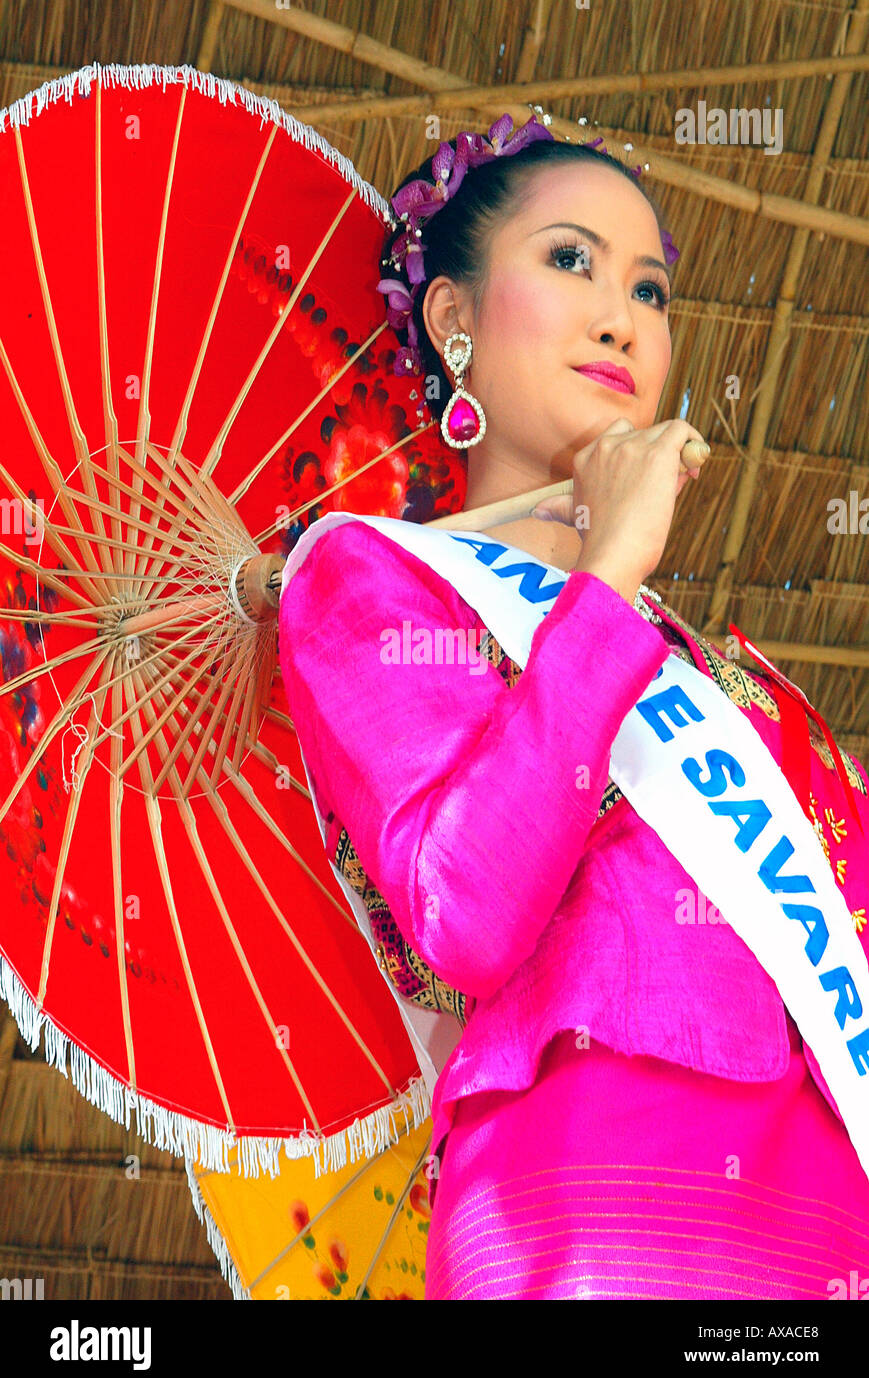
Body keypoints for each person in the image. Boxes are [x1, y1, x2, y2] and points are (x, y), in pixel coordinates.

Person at [277, 116, 869, 1300]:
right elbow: (471, 915)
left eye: (646, 287)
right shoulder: (369, 583)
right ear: (452, 323)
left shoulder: (740, 683)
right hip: (588, 1215)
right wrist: (606, 582)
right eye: (567, 261)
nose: (619, 314)